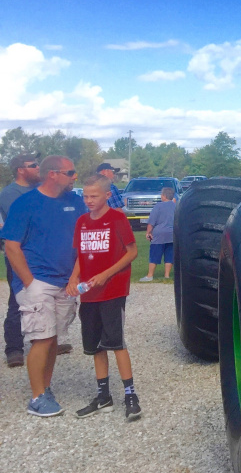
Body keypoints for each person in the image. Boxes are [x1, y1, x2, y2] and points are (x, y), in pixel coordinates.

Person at [0, 156, 86, 417]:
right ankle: (37, 398)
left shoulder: (75, 201)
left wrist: (75, 278)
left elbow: (84, 239)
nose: (75, 177)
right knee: (42, 338)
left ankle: (45, 388)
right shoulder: (25, 203)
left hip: (66, 282)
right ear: (53, 174)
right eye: (70, 172)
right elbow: (11, 246)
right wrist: (29, 282)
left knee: (53, 338)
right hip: (38, 281)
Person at [68, 174, 141, 420]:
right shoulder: (82, 222)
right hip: (89, 294)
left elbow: (132, 252)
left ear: (107, 195)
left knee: (116, 343)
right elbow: (81, 254)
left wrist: (106, 274)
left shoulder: (117, 218)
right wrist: (73, 278)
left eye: (94, 196)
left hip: (112, 290)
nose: (88, 200)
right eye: (85, 196)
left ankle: (130, 395)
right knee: (95, 346)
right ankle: (103, 396)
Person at [0, 153, 42, 368]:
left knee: (44, 297)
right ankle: (14, 348)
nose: (38, 168)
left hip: (42, 255)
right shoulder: (8, 194)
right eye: (33, 165)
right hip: (19, 254)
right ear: (20, 170)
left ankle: (42, 341)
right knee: (18, 300)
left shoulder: (42, 188)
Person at [140, 187, 175, 282]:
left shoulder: (158, 206)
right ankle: (167, 275)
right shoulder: (176, 206)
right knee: (169, 254)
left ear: (164, 196)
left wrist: (148, 232)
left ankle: (150, 275)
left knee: (155, 254)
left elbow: (151, 222)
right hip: (172, 234)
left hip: (159, 234)